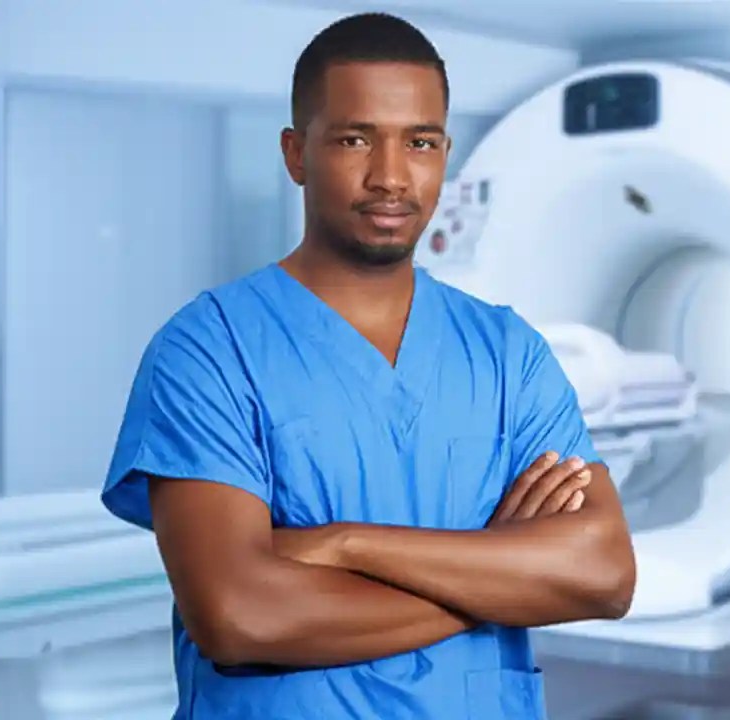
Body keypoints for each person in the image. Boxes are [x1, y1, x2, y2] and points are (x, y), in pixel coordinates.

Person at [101, 12, 636, 720]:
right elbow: (239, 615)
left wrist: (344, 544)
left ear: (444, 154)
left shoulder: (509, 353)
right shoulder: (209, 351)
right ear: (296, 153)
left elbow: (604, 574)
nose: (390, 176)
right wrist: (502, 574)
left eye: (420, 143)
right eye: (355, 139)